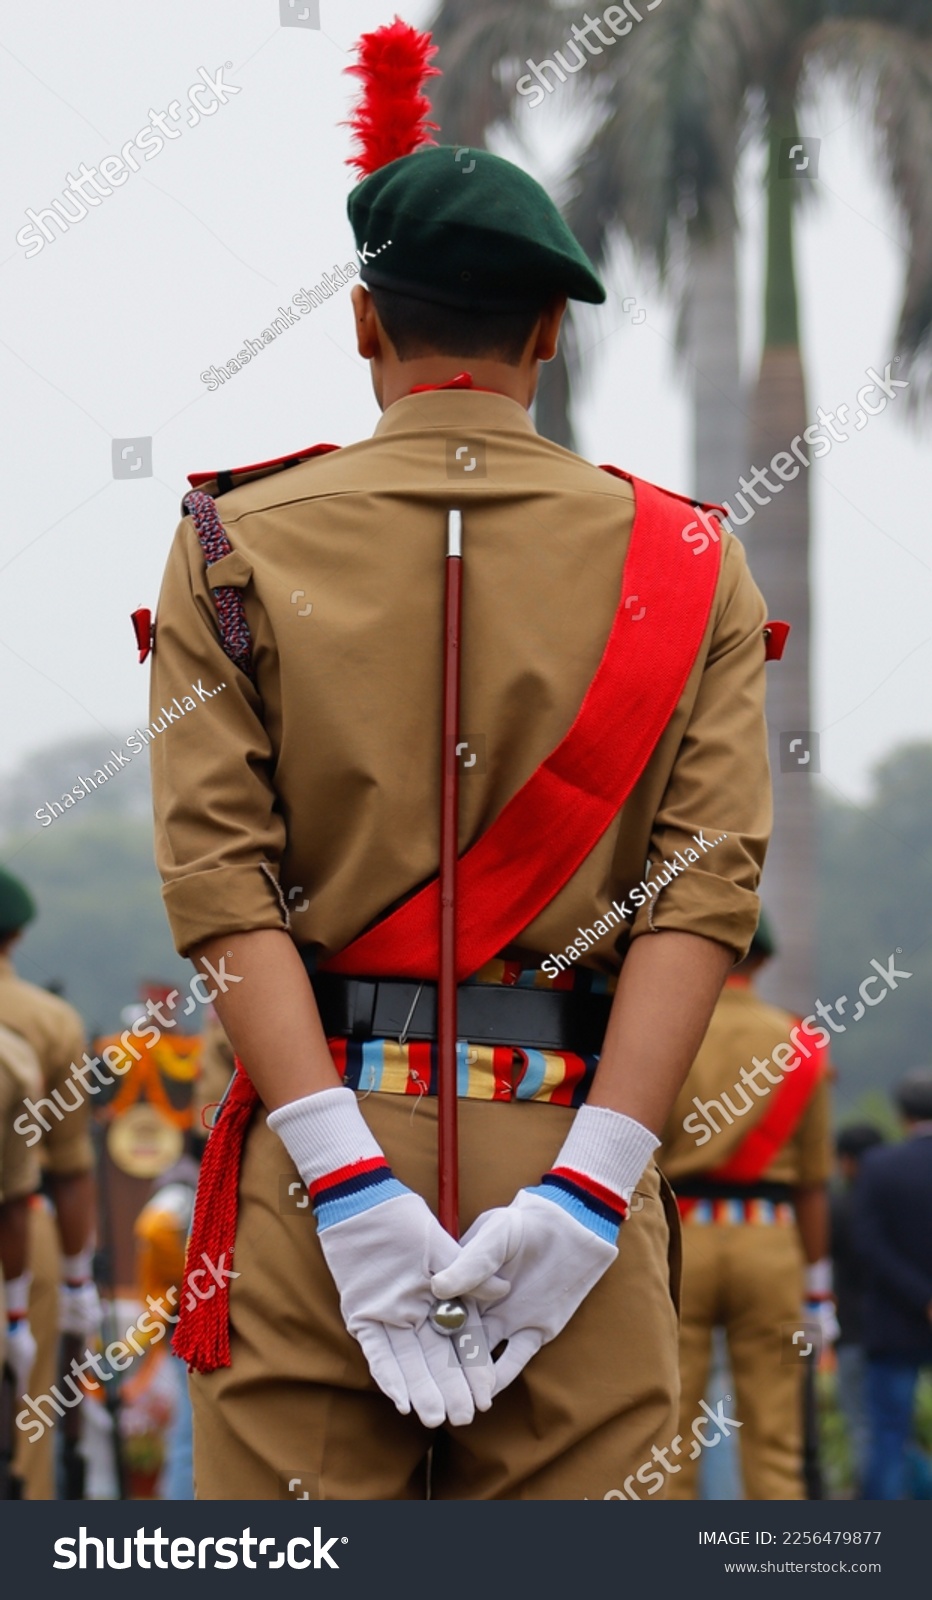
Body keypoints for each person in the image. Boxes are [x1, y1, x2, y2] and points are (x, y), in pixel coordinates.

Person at [148, 19, 772, 1500]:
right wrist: (587, 1194)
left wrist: (353, 1183)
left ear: (365, 322)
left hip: (321, 1171)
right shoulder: (693, 562)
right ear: (553, 329)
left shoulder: (231, 541)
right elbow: (703, 897)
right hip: (572, 1150)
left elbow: (217, 881)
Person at [658, 912, 835, 1499]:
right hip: (771, 1240)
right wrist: (818, 1285)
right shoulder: (800, 1044)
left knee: (670, 1428)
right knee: (775, 1426)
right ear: (764, 962)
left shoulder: (664, 1030)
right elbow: (813, 1181)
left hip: (679, 1240)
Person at [0, 867, 99, 1499]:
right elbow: (70, 1170)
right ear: (18, 932)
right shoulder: (50, 1019)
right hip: (21, 1232)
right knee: (29, 1418)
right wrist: (75, 1281)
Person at [856, 1069, 932, 1500]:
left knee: (888, 1436)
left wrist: (922, 1297)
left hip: (896, 1321)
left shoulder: (880, 1166)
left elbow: (869, 1244)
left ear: (902, 1115)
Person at [831, 1122, 885, 1493]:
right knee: (890, 1425)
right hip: (895, 1332)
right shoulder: (894, 1206)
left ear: (847, 1162)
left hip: (847, 1330)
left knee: (860, 1425)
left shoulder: (836, 1207)